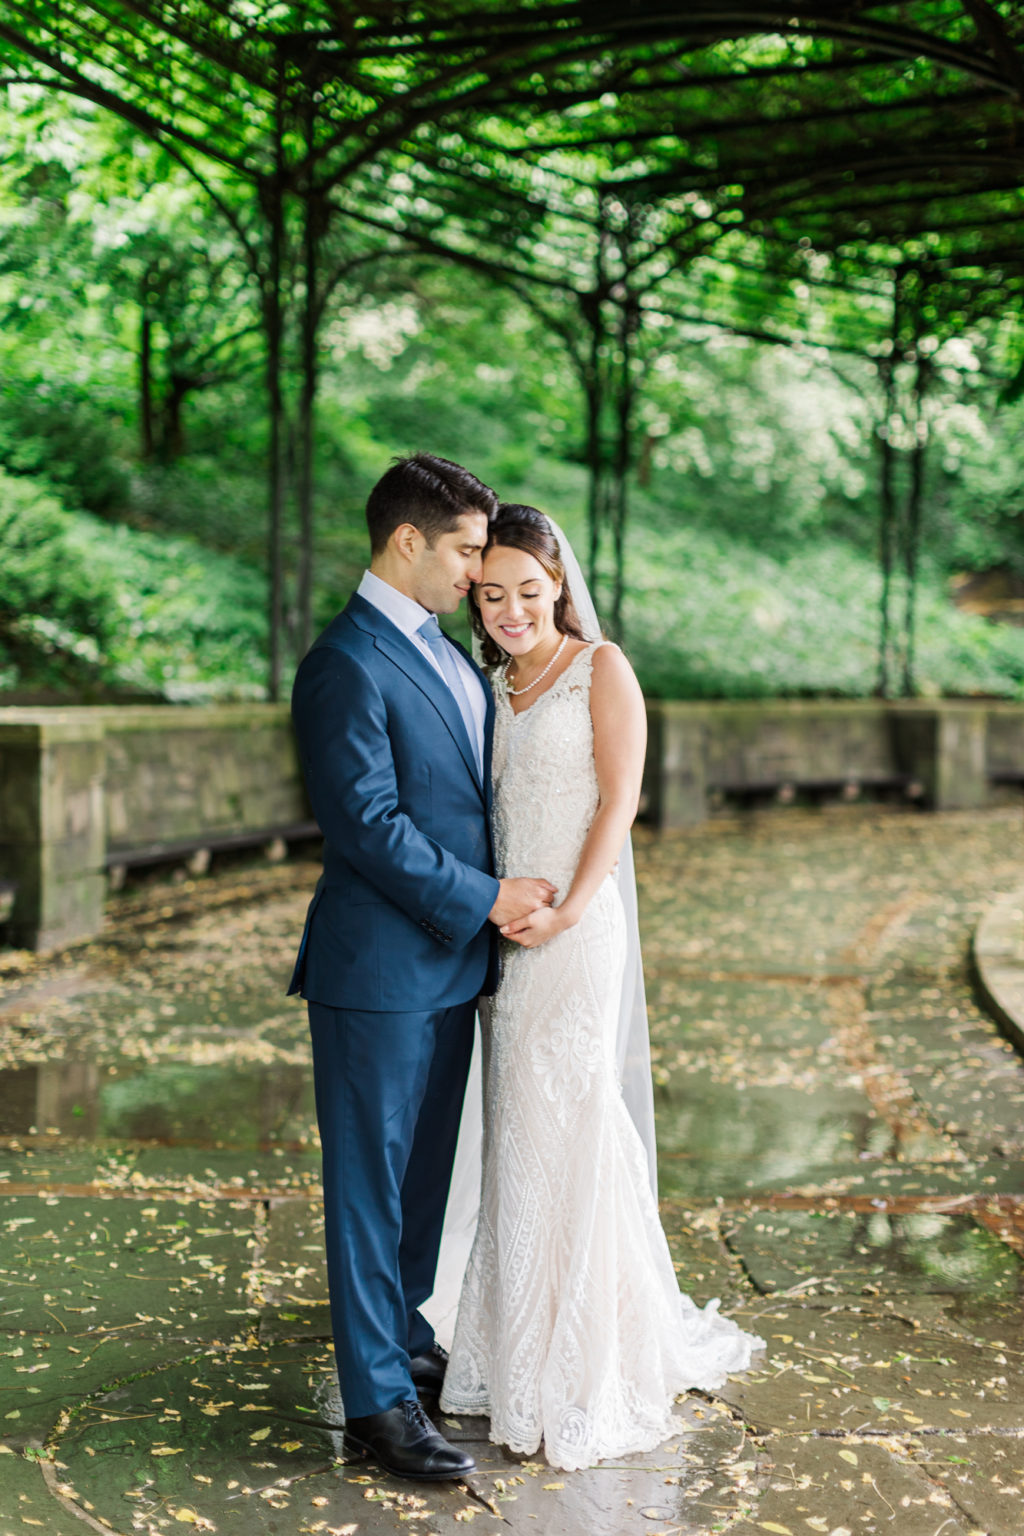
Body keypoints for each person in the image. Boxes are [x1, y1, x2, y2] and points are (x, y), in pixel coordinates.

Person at [438, 504, 765, 1471]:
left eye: (527, 593)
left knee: (568, 1114)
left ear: (559, 586)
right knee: (522, 1126)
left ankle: (584, 1357)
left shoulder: (599, 668)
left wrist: (571, 909)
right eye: (490, 595)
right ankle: (514, 1344)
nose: (508, 611)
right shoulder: (495, 682)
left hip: (577, 931)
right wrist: (500, 908)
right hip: (511, 927)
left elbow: (620, 798)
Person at [288, 457, 555, 1482]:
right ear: (407, 541)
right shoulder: (344, 662)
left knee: (421, 1184)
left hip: (450, 969)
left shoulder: (446, 651)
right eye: (462, 549)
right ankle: (375, 1405)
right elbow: (364, 827)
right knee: (368, 1189)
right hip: (375, 972)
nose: (476, 569)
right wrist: (483, 899)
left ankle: (400, 1338)